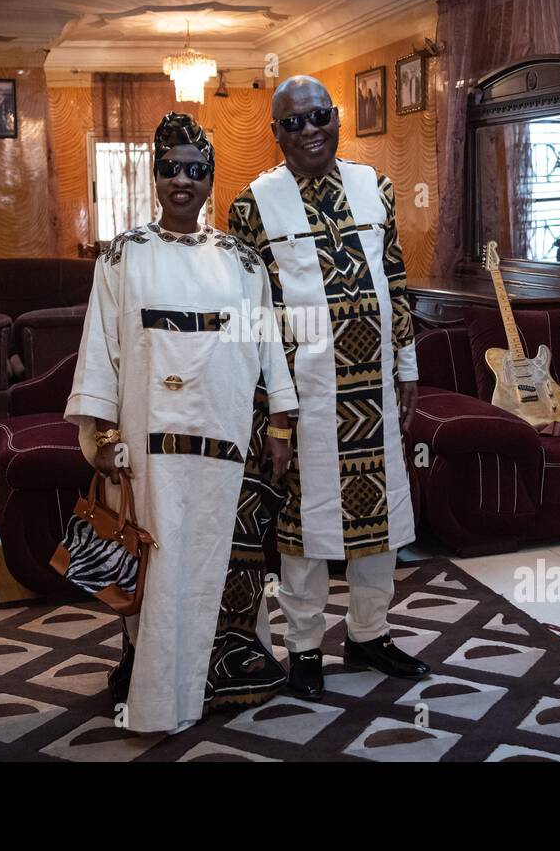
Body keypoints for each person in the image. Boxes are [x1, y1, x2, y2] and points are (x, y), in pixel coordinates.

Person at [64, 113, 297, 734]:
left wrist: (278, 424)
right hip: (147, 450)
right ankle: (151, 689)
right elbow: (102, 351)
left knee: (216, 569)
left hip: (224, 448)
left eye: (197, 170)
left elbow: (268, 344)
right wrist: (103, 437)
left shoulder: (243, 263)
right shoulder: (122, 258)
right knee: (151, 565)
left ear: (210, 178)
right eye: (172, 169)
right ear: (155, 176)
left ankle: (211, 687)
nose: (183, 182)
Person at [228, 75, 431, 701]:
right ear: (276, 132)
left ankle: (370, 633)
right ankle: (306, 647)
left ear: (336, 117)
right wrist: (267, 406)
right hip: (300, 397)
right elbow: (249, 314)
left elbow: (396, 283)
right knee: (305, 528)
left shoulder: (378, 187)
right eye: (294, 122)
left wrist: (409, 369)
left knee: (379, 523)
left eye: (319, 116)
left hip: (372, 390)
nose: (309, 129)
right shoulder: (252, 205)